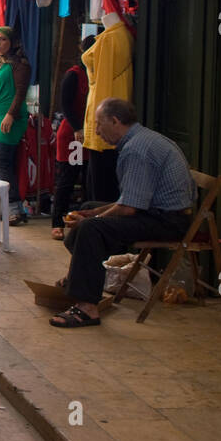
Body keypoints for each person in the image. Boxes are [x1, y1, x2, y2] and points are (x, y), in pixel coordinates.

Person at [50, 98, 196, 328]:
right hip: (156, 211)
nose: (96, 131)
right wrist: (93, 213)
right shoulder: (141, 139)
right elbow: (127, 201)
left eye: (99, 124)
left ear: (115, 121)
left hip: (169, 220)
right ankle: (79, 275)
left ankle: (87, 308)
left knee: (90, 228)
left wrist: (94, 220)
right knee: (86, 209)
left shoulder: (137, 149)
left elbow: (129, 208)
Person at [0, 26, 31, 225]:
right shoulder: (0, 63)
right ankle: (9, 208)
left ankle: (14, 209)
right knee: (0, 164)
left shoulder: (20, 65)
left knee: (1, 162)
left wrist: (10, 114)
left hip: (11, 119)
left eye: (2, 40)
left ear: (11, 42)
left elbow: (20, 93)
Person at [51, 35, 96, 241]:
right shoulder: (74, 75)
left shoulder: (97, 74)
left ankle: (83, 224)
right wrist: (78, 128)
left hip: (93, 137)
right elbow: (66, 105)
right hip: (75, 138)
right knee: (68, 179)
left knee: (89, 180)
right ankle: (57, 223)